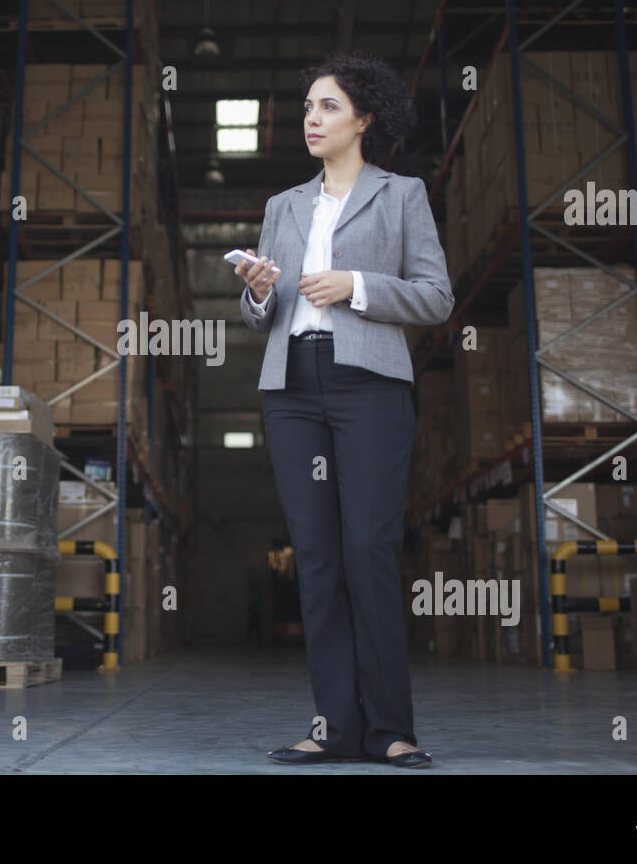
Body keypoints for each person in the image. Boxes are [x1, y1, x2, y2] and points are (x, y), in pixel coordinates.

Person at [236, 50, 454, 768]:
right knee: (318, 560)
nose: (312, 117)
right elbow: (256, 315)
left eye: (327, 106)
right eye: (307, 107)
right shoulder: (282, 208)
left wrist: (355, 285)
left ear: (363, 119)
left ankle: (390, 728)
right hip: (292, 389)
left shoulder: (402, 195)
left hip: (368, 385)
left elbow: (435, 296)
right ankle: (332, 726)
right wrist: (262, 289)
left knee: (368, 550)